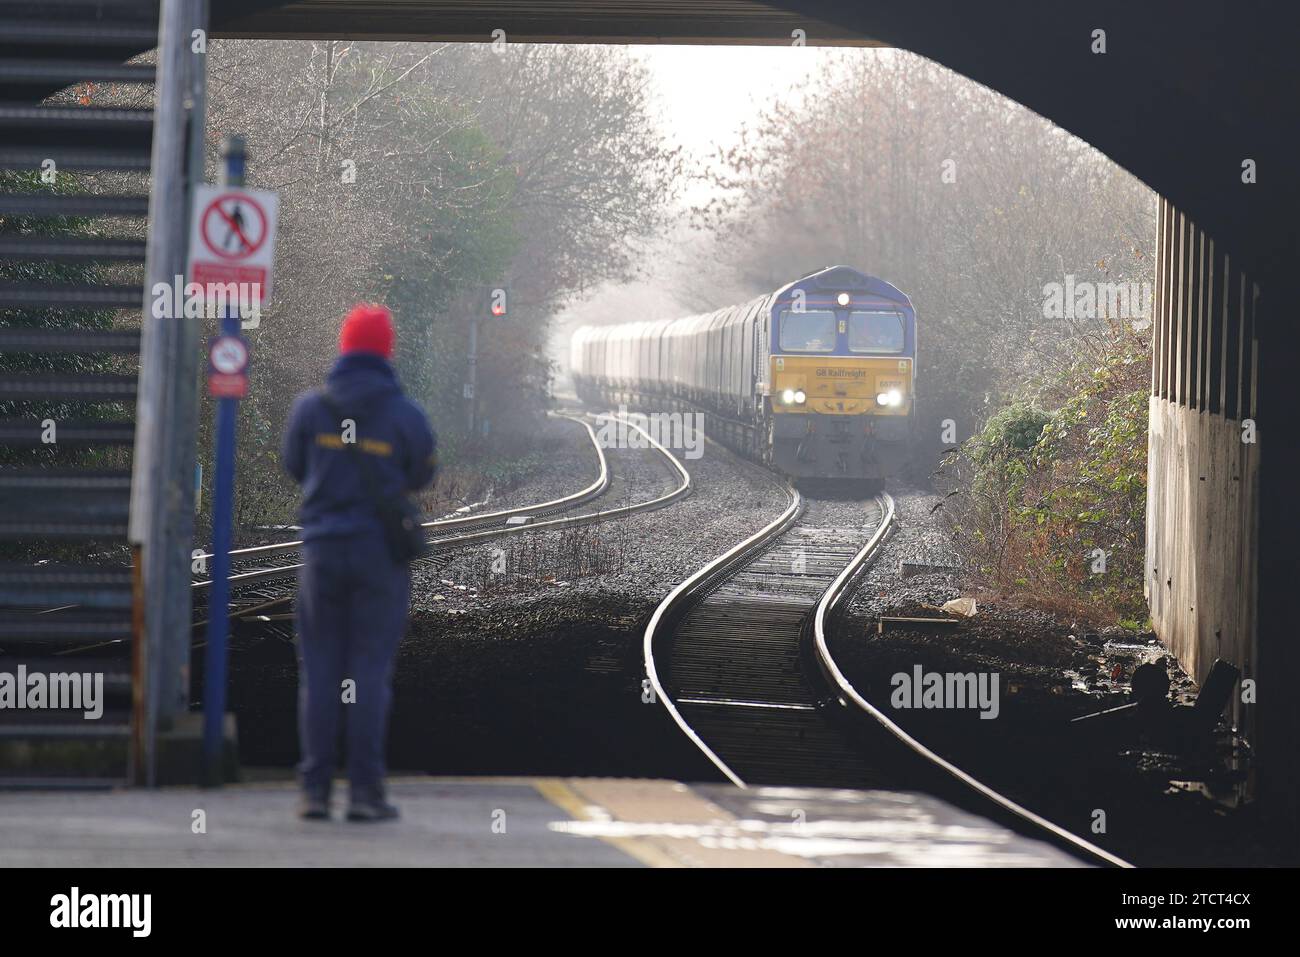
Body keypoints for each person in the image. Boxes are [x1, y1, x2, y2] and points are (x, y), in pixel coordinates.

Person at [282, 303, 437, 821]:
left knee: (320, 672)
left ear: (344, 347)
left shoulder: (311, 409)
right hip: (378, 558)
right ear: (387, 350)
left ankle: (315, 792)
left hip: (322, 553)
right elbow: (421, 475)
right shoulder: (405, 415)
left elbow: (294, 465)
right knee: (369, 672)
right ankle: (367, 794)